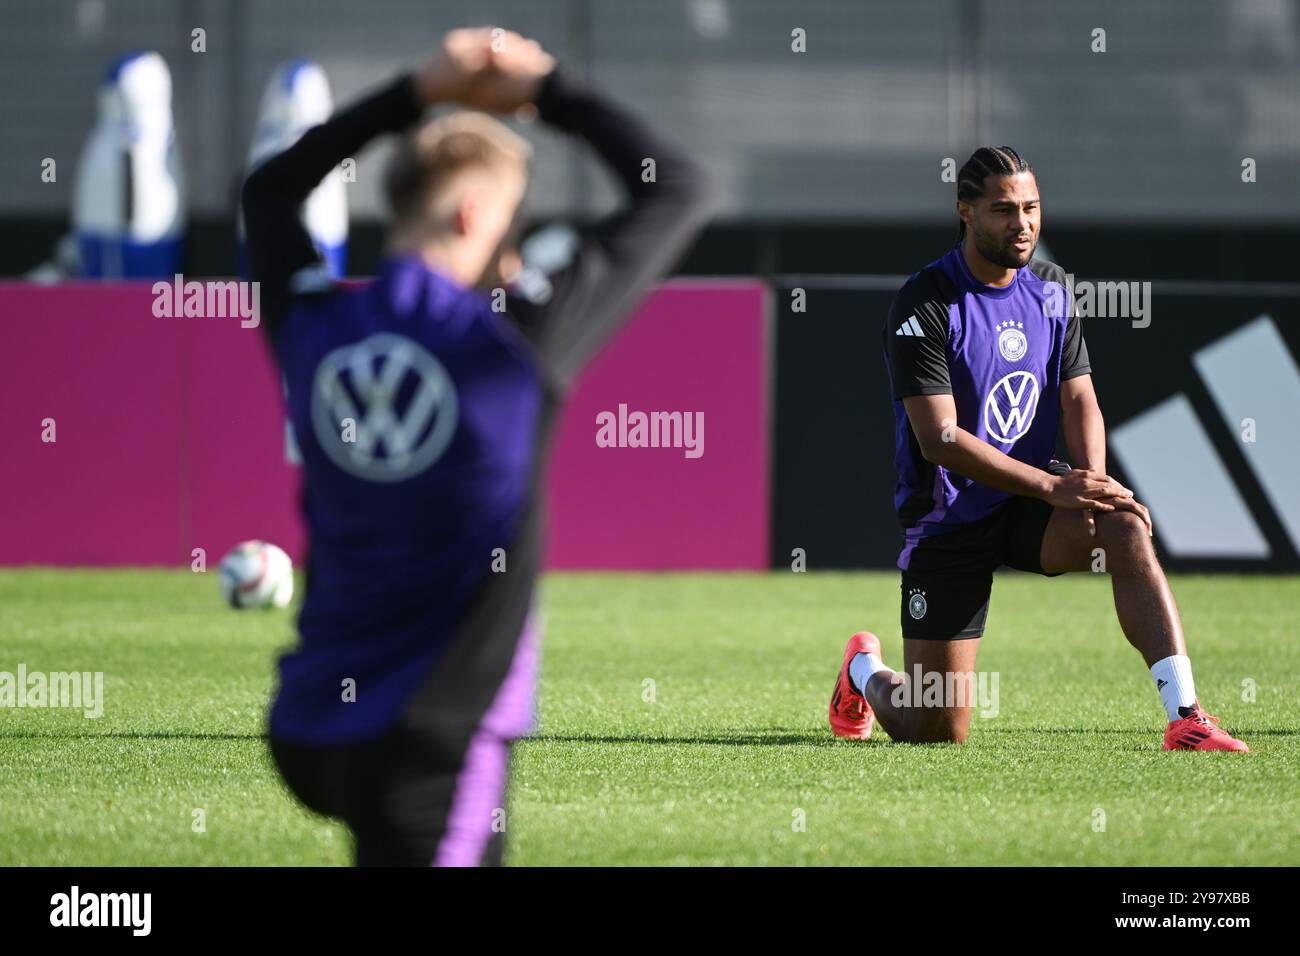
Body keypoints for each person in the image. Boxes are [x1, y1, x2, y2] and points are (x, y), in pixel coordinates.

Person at [242, 27, 714, 865]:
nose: (515, 253)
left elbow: (272, 193)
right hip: (434, 739)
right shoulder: (514, 339)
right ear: (473, 216)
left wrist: (416, 91)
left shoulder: (314, 323)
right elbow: (676, 187)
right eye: (510, 228)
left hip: (313, 722)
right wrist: (551, 88)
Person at [828, 146, 1247, 752]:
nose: (1021, 223)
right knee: (936, 731)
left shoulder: (1051, 291)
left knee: (1126, 529)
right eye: (1003, 210)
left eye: (1031, 208)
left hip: (1029, 505)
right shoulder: (923, 302)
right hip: (951, 522)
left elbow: (1081, 402)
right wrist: (1055, 486)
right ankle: (864, 671)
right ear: (965, 212)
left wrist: (1095, 486)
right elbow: (939, 439)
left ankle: (1187, 717)